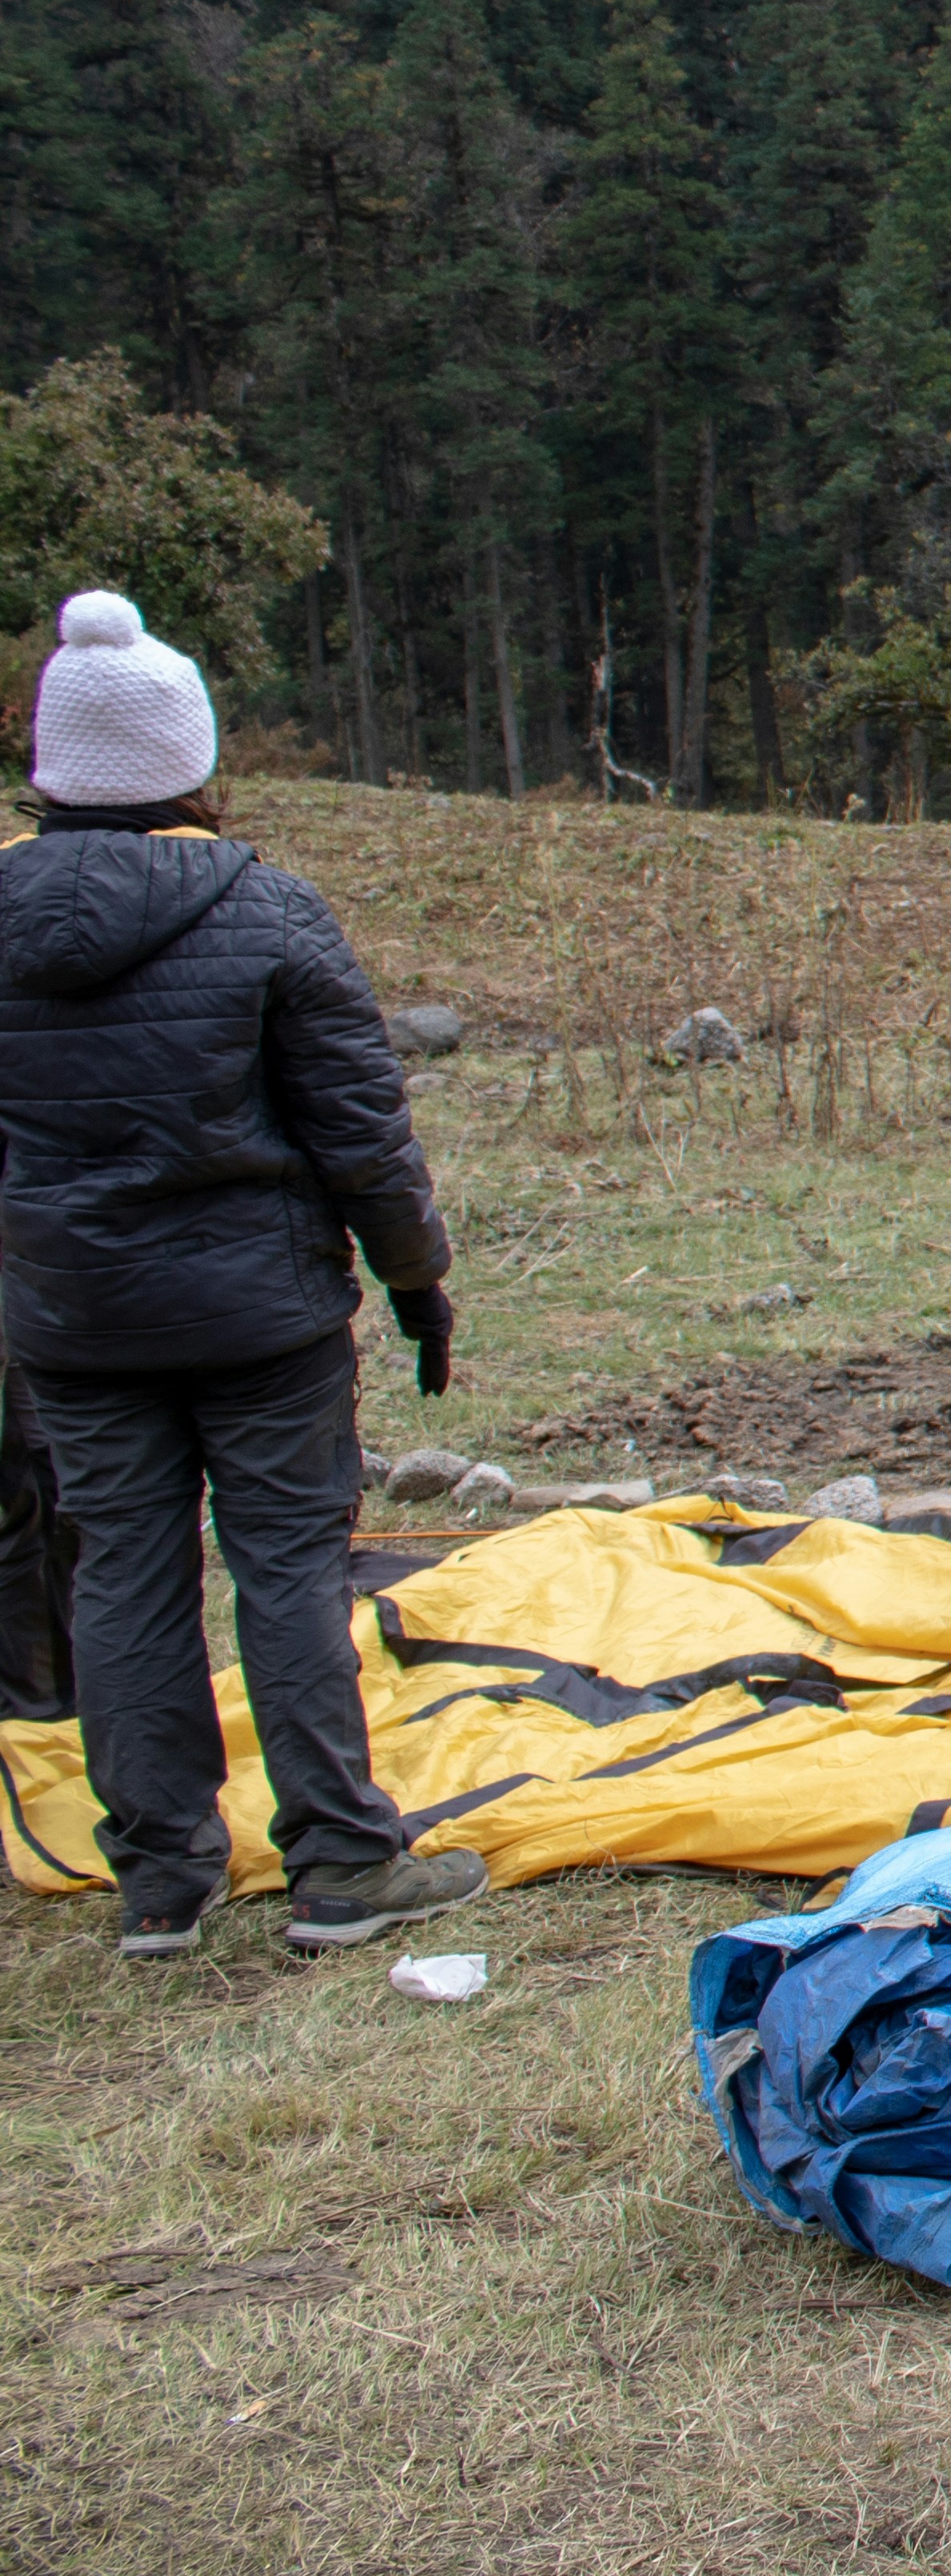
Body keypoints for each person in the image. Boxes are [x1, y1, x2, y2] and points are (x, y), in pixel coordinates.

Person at [0, 594, 480, 1957]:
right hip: (258, 1314)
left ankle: (159, 1879)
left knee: (121, 1576)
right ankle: (339, 1860)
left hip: (73, 1322)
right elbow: (360, 1130)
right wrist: (414, 1281)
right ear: (193, 760)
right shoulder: (268, 913)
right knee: (283, 1568)